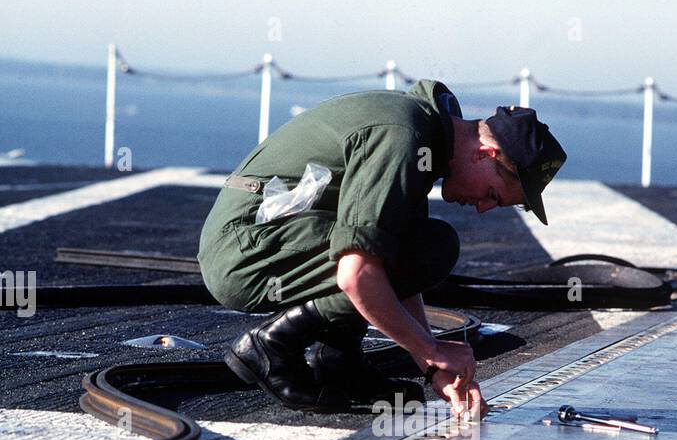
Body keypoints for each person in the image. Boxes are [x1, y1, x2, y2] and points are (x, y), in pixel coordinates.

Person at [197, 79, 566, 415]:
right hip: (242, 248)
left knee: (425, 246)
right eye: (492, 195)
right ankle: (271, 346)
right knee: (426, 249)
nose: (484, 207)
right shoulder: (404, 136)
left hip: (272, 233)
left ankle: (339, 361)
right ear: (484, 154)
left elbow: (399, 261)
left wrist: (432, 369)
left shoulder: (428, 135)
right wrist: (431, 349)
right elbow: (357, 274)